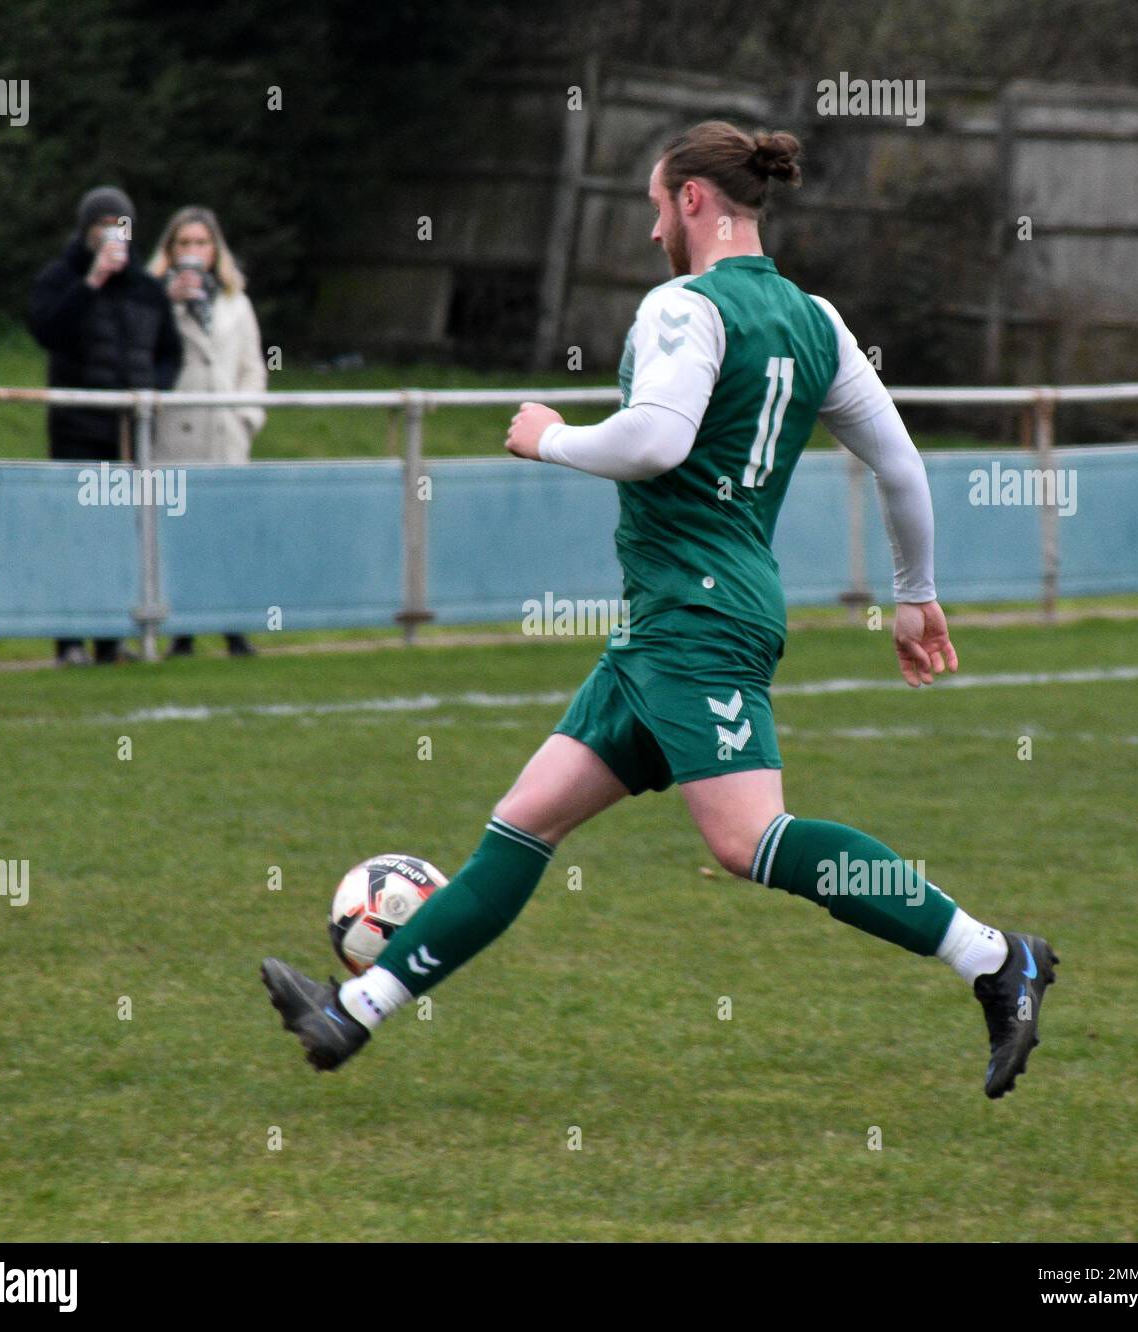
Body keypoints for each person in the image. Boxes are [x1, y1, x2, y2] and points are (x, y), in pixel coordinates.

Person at [262, 121, 1059, 1098]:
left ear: (692, 201)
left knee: (748, 840)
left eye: (653, 207)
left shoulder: (683, 305)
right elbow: (897, 464)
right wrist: (915, 595)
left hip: (698, 616)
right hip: (667, 621)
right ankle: (350, 1015)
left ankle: (992, 957)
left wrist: (551, 436)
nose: (650, 233)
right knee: (523, 823)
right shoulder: (818, 320)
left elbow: (654, 440)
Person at [30, 186, 182, 666]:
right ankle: (69, 641)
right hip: (77, 428)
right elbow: (46, 330)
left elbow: (170, 352)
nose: (113, 234)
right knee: (76, 534)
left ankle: (112, 640)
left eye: (121, 224)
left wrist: (151, 395)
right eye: (103, 224)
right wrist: (91, 281)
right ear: (86, 230)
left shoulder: (146, 287)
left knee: (122, 535)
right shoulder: (61, 278)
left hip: (131, 431)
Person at [148, 206, 266, 658]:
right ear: (170, 250)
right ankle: (182, 632)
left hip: (225, 433)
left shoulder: (237, 301)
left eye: (202, 243)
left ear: (215, 249)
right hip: (176, 432)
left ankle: (234, 628)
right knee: (180, 534)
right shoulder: (154, 298)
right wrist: (168, 302)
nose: (194, 252)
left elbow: (254, 368)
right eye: (184, 243)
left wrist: (247, 417)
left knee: (229, 533)